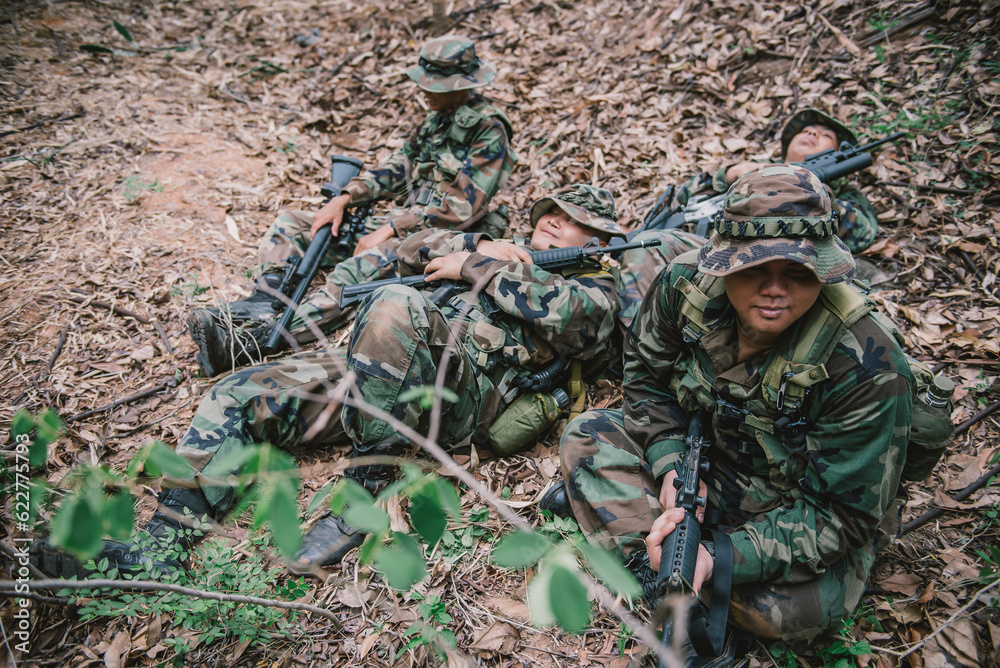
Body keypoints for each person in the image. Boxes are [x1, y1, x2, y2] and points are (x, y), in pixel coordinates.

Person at [31, 184, 624, 578]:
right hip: (379, 368)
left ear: (598, 242)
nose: (554, 220)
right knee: (239, 394)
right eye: (551, 211)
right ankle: (162, 546)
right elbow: (414, 248)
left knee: (393, 304)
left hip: (458, 394)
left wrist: (482, 266)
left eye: (573, 222)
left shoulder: (598, 287)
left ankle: (365, 493)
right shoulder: (500, 249)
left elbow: (571, 320)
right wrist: (472, 245)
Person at [543, 165, 914, 662]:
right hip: (707, 454)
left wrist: (720, 557)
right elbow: (646, 378)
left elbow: (840, 515)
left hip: (790, 502)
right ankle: (662, 558)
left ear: (824, 269)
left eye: (798, 272)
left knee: (795, 611)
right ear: (724, 263)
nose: (775, 290)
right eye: (755, 268)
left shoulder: (867, 360)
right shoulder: (683, 285)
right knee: (586, 434)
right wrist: (671, 463)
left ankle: (645, 539)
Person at [187, 34, 518, 377]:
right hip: (405, 218)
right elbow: (397, 166)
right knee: (295, 224)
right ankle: (265, 301)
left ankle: (250, 342)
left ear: (464, 85)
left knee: (356, 272)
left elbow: (463, 208)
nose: (425, 90)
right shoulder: (439, 118)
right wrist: (345, 198)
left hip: (444, 237)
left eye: (437, 84)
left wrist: (391, 229)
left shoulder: (489, 130)